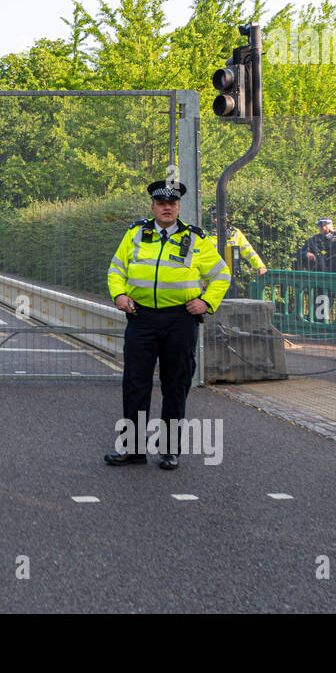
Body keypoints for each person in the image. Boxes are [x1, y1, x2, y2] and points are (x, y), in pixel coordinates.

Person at [105, 180, 230, 470]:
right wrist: (119, 294)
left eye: (171, 204)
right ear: (152, 207)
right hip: (141, 318)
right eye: (161, 203)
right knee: (135, 383)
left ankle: (170, 450)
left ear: (178, 208)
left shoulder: (196, 239)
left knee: (176, 385)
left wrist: (207, 303)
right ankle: (133, 449)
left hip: (180, 321)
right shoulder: (136, 234)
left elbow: (221, 276)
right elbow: (116, 269)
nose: (166, 208)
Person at [209, 211, 268, 289]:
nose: (216, 220)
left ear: (226, 218)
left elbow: (249, 251)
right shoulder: (207, 234)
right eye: (214, 218)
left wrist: (260, 266)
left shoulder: (235, 233)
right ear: (212, 220)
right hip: (212, 278)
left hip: (231, 278)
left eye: (218, 217)